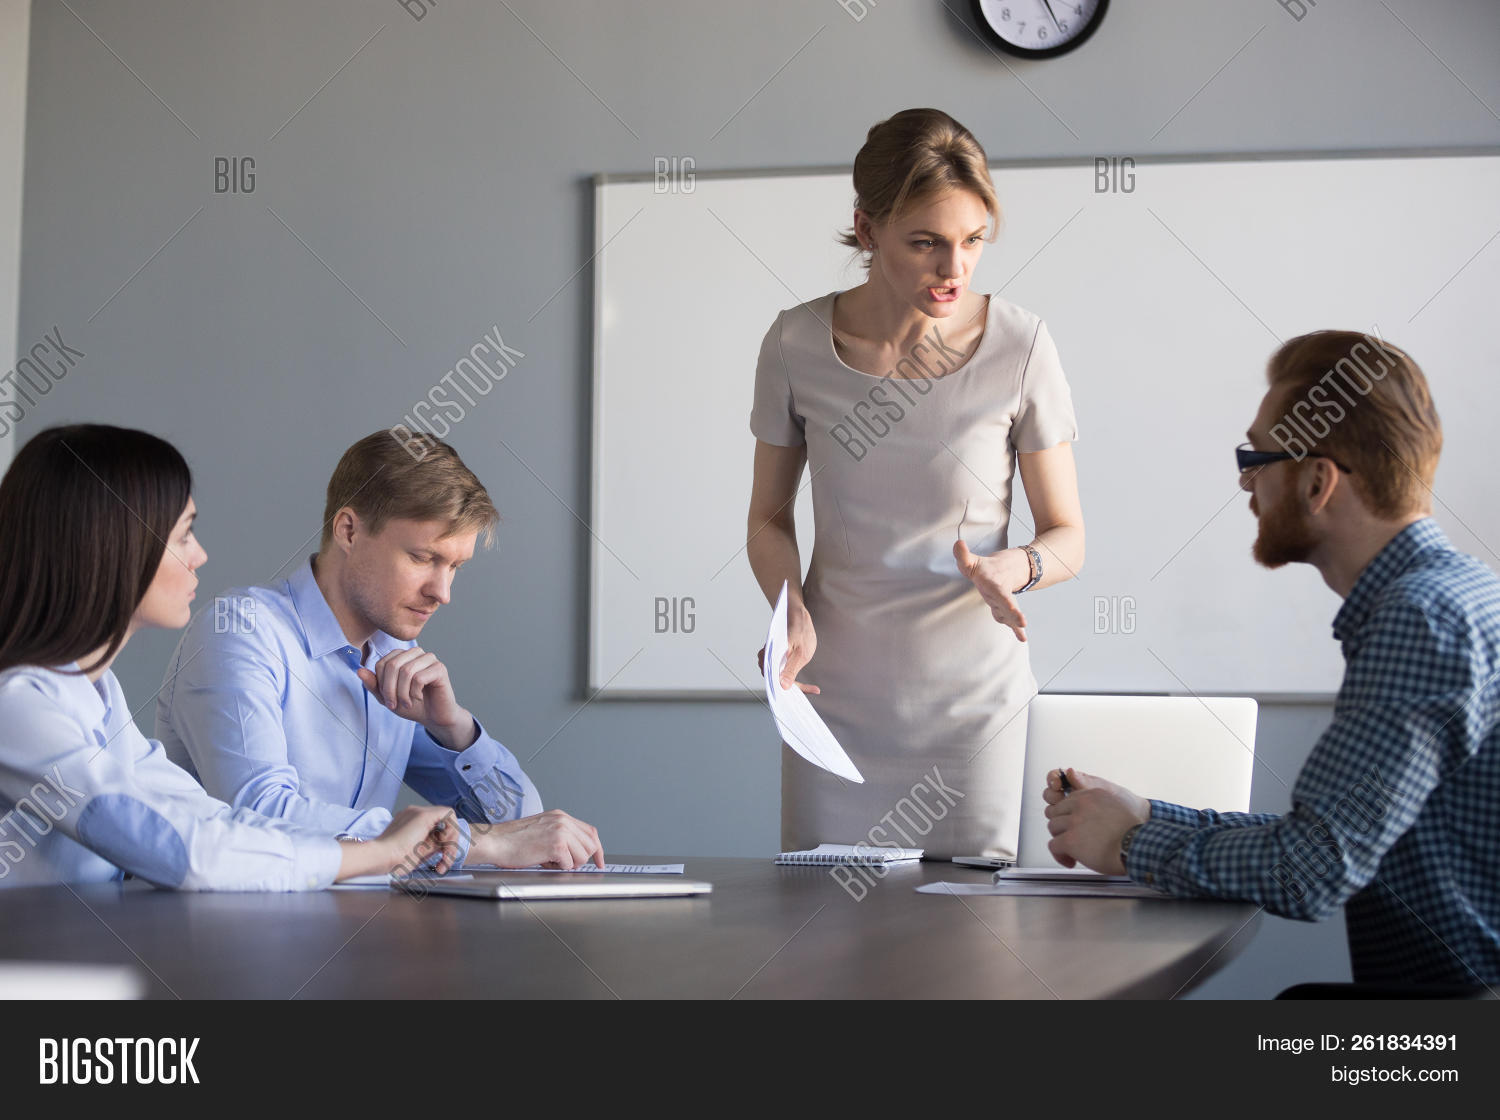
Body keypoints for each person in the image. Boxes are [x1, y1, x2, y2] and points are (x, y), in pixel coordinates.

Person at [1044, 330, 1499, 986]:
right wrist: (1144, 815)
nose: (1244, 480)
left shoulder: (1419, 621)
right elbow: (1327, 835)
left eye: (1257, 456)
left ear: (1318, 481)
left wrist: (1130, 843)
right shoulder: (1457, 594)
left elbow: (1309, 874)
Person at [748, 108, 1085, 860]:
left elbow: (1069, 536)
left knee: (973, 952)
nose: (954, 269)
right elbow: (768, 519)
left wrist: (1016, 566)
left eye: (972, 242)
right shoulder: (796, 343)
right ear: (866, 230)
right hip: (833, 700)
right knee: (823, 948)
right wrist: (789, 611)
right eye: (926, 242)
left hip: (975, 710)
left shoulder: (1021, 345)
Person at [0, 424, 459, 890]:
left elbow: (210, 820)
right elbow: (183, 850)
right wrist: (380, 853)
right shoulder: (18, 704)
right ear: (110, 546)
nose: (199, 555)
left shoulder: (96, 693)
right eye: (183, 536)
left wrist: (394, 846)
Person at [157, 430, 605, 870]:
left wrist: (454, 730)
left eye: (455, 567)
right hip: (235, 936)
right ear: (349, 531)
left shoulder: (394, 656)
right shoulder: (240, 630)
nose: (442, 592)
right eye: (423, 558)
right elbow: (261, 816)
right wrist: (475, 843)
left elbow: (523, 827)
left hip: (357, 932)